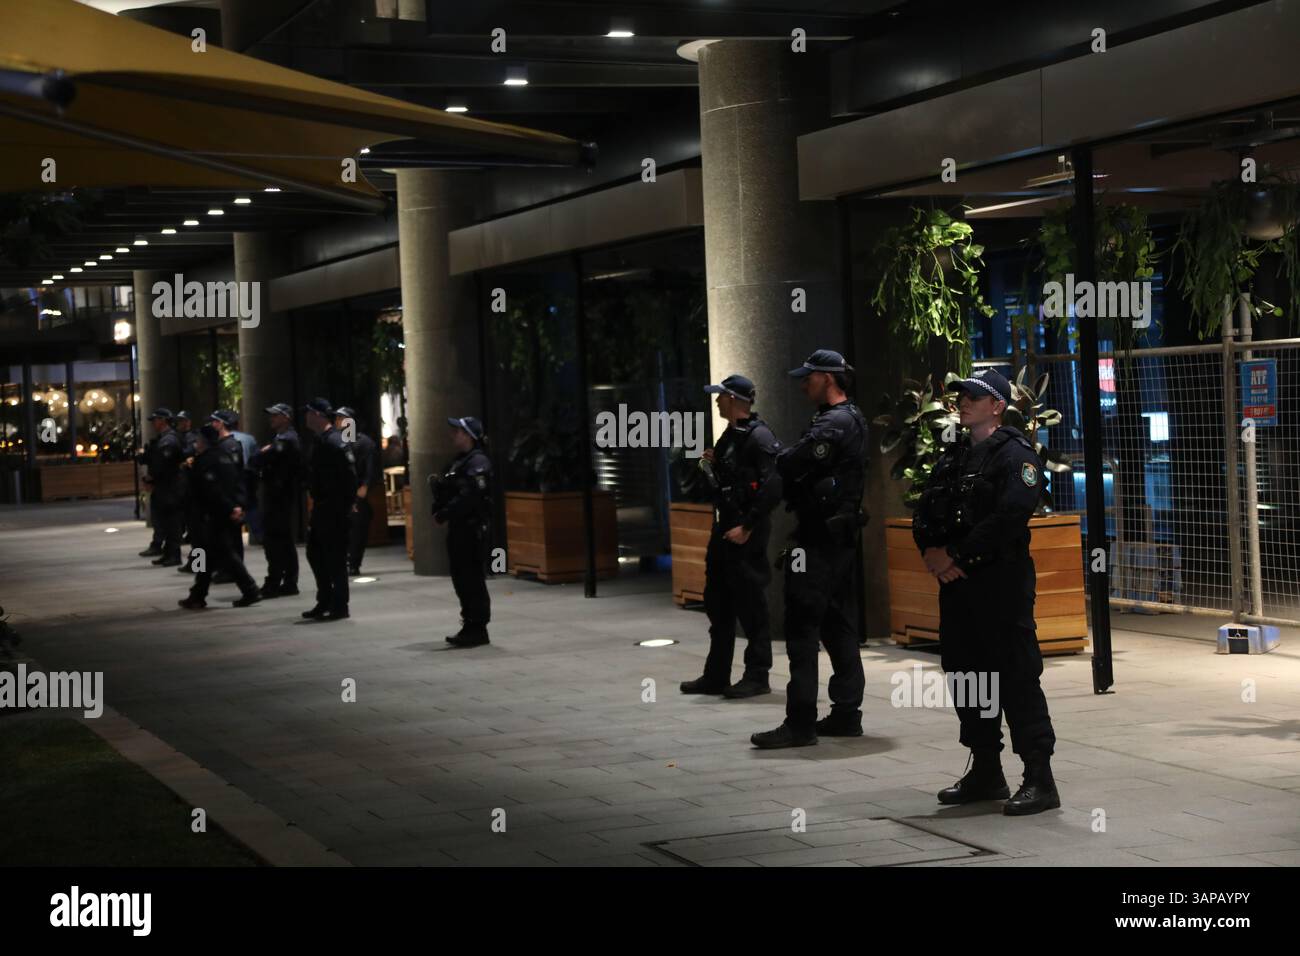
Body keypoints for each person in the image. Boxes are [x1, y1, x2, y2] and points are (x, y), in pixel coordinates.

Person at [913, 369, 1060, 815]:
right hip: (957, 585)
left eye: (974, 396)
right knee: (966, 674)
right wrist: (932, 552)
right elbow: (924, 509)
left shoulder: (1016, 455)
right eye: (960, 396)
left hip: (1000, 582)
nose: (963, 402)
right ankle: (986, 771)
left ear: (997, 405)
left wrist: (954, 554)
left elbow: (1011, 516)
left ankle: (1039, 778)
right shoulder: (953, 456)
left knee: (1015, 674)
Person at [751, 349, 868, 749]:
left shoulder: (834, 423)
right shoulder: (846, 418)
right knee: (839, 626)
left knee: (803, 626)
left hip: (818, 540)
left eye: (810, 377)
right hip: (837, 538)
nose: (804, 384)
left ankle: (800, 722)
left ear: (828, 378)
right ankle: (846, 714)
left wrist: (779, 454)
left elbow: (793, 463)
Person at [680, 374, 782, 699]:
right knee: (719, 604)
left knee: (752, 605)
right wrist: (710, 463)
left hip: (744, 530)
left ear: (735, 399)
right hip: (725, 527)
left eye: (721, 396)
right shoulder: (731, 436)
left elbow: (773, 486)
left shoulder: (759, 437)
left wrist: (749, 525)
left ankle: (757, 675)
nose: (717, 401)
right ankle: (716, 675)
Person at [178, 424, 261, 609]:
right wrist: (237, 506)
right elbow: (237, 482)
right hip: (220, 513)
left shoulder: (206, 460)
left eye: (198, 440)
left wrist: (230, 508)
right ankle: (198, 592)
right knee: (209, 554)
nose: (196, 443)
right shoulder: (225, 457)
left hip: (208, 515)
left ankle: (250, 588)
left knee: (213, 552)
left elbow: (211, 489)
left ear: (204, 441)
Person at [432, 416, 493, 647]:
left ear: (468, 435)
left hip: (471, 528)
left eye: (457, 431)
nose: (453, 434)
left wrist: (444, 513)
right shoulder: (460, 461)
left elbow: (470, 497)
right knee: (461, 578)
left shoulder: (478, 462)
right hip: (459, 529)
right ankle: (469, 624)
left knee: (471, 578)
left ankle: (477, 627)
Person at [302, 398, 357, 621]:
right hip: (323, 507)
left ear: (318, 415)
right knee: (315, 553)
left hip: (333, 509)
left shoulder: (335, 442)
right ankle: (325, 600)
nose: (306, 417)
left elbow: (350, 477)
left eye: (308, 413)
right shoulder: (321, 440)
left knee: (334, 559)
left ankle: (339, 605)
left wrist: (345, 506)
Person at [251, 403, 301, 599]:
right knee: (284, 541)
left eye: (275, 415)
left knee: (274, 541)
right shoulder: (282, 438)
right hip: (279, 495)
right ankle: (288, 581)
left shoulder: (287, 439)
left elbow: (257, 459)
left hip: (278, 496)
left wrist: (264, 453)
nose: (271, 419)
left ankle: (274, 582)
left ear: (286, 417)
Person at [334, 407, 379, 576]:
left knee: (357, 528)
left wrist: (365, 487)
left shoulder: (364, 442)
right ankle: (345, 560)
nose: (337, 422)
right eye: (337, 418)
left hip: (357, 491)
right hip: (341, 492)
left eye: (341, 418)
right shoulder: (337, 441)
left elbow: (370, 469)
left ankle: (353, 563)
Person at [136, 409, 184, 566]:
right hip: (164, 486)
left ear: (163, 420)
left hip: (169, 487)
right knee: (164, 521)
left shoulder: (169, 440)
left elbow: (164, 465)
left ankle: (175, 555)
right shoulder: (162, 439)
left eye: (155, 420)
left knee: (172, 522)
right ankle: (168, 553)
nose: (153, 423)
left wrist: (151, 478)